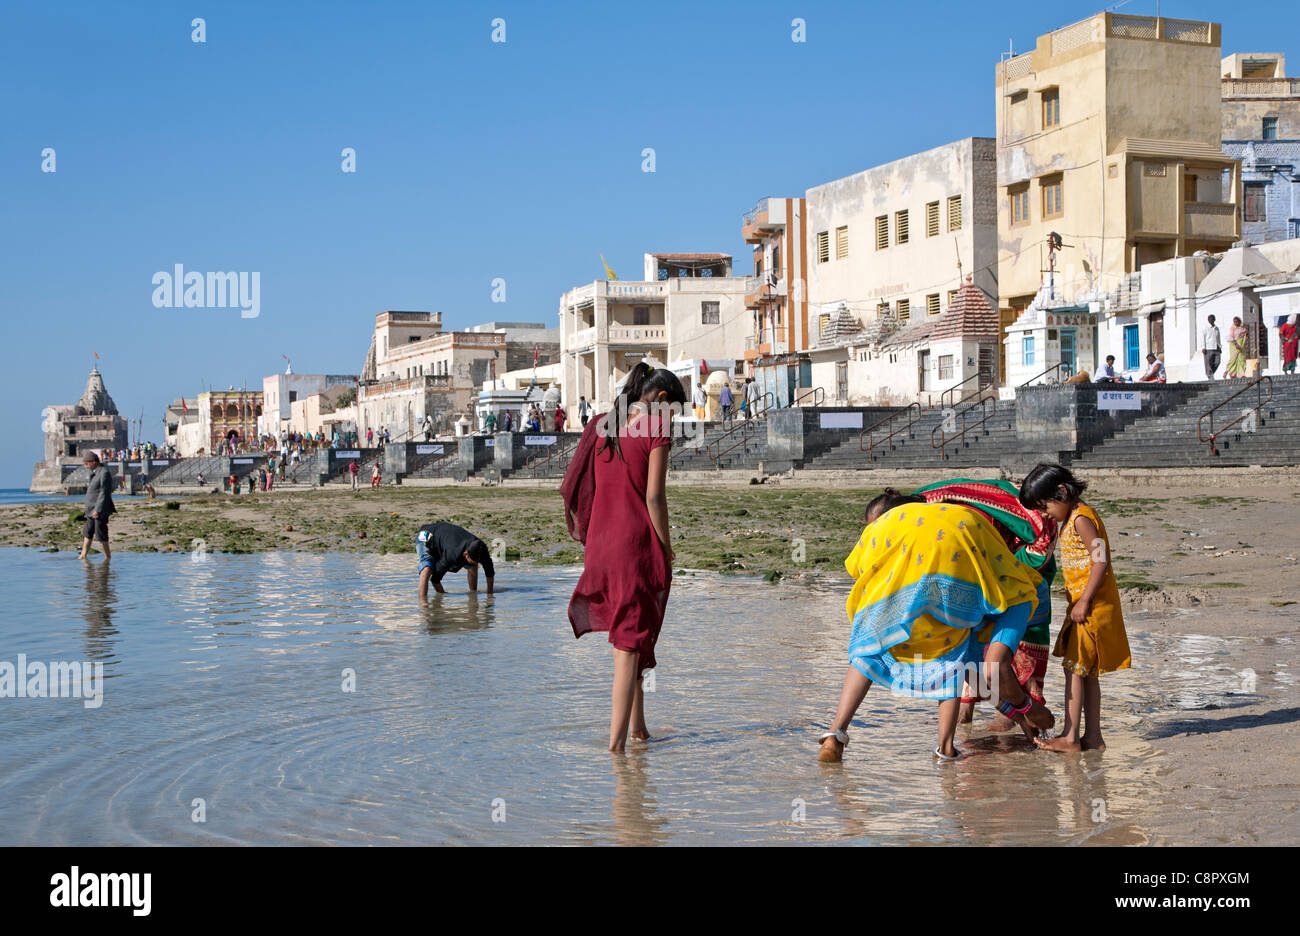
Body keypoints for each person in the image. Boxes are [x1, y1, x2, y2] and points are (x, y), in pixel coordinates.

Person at [817, 489, 1052, 763]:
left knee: (869, 648)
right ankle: (945, 749)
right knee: (954, 654)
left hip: (897, 579)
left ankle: (835, 736)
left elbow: (856, 567)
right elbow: (991, 669)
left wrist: (1020, 713)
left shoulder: (885, 523)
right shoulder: (1024, 596)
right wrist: (1028, 707)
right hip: (953, 568)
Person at [562, 361, 686, 753]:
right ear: (662, 399)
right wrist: (666, 548)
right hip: (634, 546)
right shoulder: (656, 428)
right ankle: (616, 750)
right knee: (628, 645)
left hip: (601, 546)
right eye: (674, 410)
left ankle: (639, 730)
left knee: (630, 635)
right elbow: (654, 497)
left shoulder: (605, 425)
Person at [913, 478, 1060, 732]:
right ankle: (968, 709)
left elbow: (992, 665)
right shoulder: (924, 524)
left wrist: (1022, 709)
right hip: (980, 573)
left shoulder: (1028, 530)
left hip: (1016, 576)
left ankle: (1019, 713)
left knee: (1002, 654)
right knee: (966, 648)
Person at [1019, 464, 1130, 753]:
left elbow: (1101, 560)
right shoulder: (1071, 518)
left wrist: (1084, 601)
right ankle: (1093, 737)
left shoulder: (1081, 518)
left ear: (1062, 492)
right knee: (1086, 672)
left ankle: (1070, 736)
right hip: (1084, 606)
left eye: (1045, 507)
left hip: (1090, 607)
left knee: (1074, 670)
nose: (1045, 515)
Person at [416, 522, 495, 597]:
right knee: (426, 569)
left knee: (472, 566)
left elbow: (490, 573)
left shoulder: (481, 548)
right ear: (465, 554)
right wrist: (443, 595)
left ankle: (473, 592)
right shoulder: (452, 555)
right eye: (473, 560)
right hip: (427, 535)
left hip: (446, 537)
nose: (477, 563)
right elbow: (435, 580)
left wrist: (490, 595)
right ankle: (423, 605)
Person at [78, 453, 115, 561]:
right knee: (88, 532)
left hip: (100, 510)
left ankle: (107, 557)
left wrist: (98, 509)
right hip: (90, 510)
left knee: (101, 533)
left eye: (87, 464)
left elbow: (104, 492)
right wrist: (88, 510)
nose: (86, 466)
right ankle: (83, 555)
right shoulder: (94, 474)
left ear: (94, 462)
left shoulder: (104, 473)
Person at [1202, 314, 1222, 379]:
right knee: (1208, 363)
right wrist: (1203, 347)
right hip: (1208, 348)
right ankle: (1210, 375)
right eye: (1210, 319)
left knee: (1217, 362)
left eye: (1212, 319)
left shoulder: (1216, 328)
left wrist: (1219, 346)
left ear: (1214, 320)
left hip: (1216, 348)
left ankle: (1211, 373)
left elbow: (1218, 338)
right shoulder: (1205, 328)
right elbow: (1203, 338)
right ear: (1208, 320)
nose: (1211, 320)